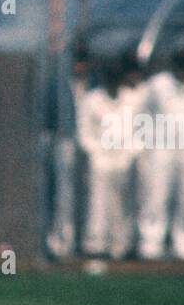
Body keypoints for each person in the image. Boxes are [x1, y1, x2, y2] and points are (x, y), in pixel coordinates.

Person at [137, 48, 184, 261]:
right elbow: (144, 114)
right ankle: (152, 241)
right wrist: (149, 143)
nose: (182, 70)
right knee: (157, 195)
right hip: (162, 147)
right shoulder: (158, 84)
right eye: (179, 64)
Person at [78, 55, 146, 260]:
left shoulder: (133, 100)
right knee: (98, 202)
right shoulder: (92, 100)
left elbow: (140, 130)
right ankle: (97, 244)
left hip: (124, 159)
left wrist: (130, 154)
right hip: (101, 160)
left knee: (123, 203)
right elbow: (85, 132)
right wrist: (97, 153)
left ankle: (122, 245)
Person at [45, 40, 91, 260]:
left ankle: (88, 239)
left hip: (91, 145)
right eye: (77, 61)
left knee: (89, 194)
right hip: (66, 141)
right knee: (63, 194)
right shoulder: (59, 84)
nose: (80, 66)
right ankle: (62, 240)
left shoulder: (91, 85)